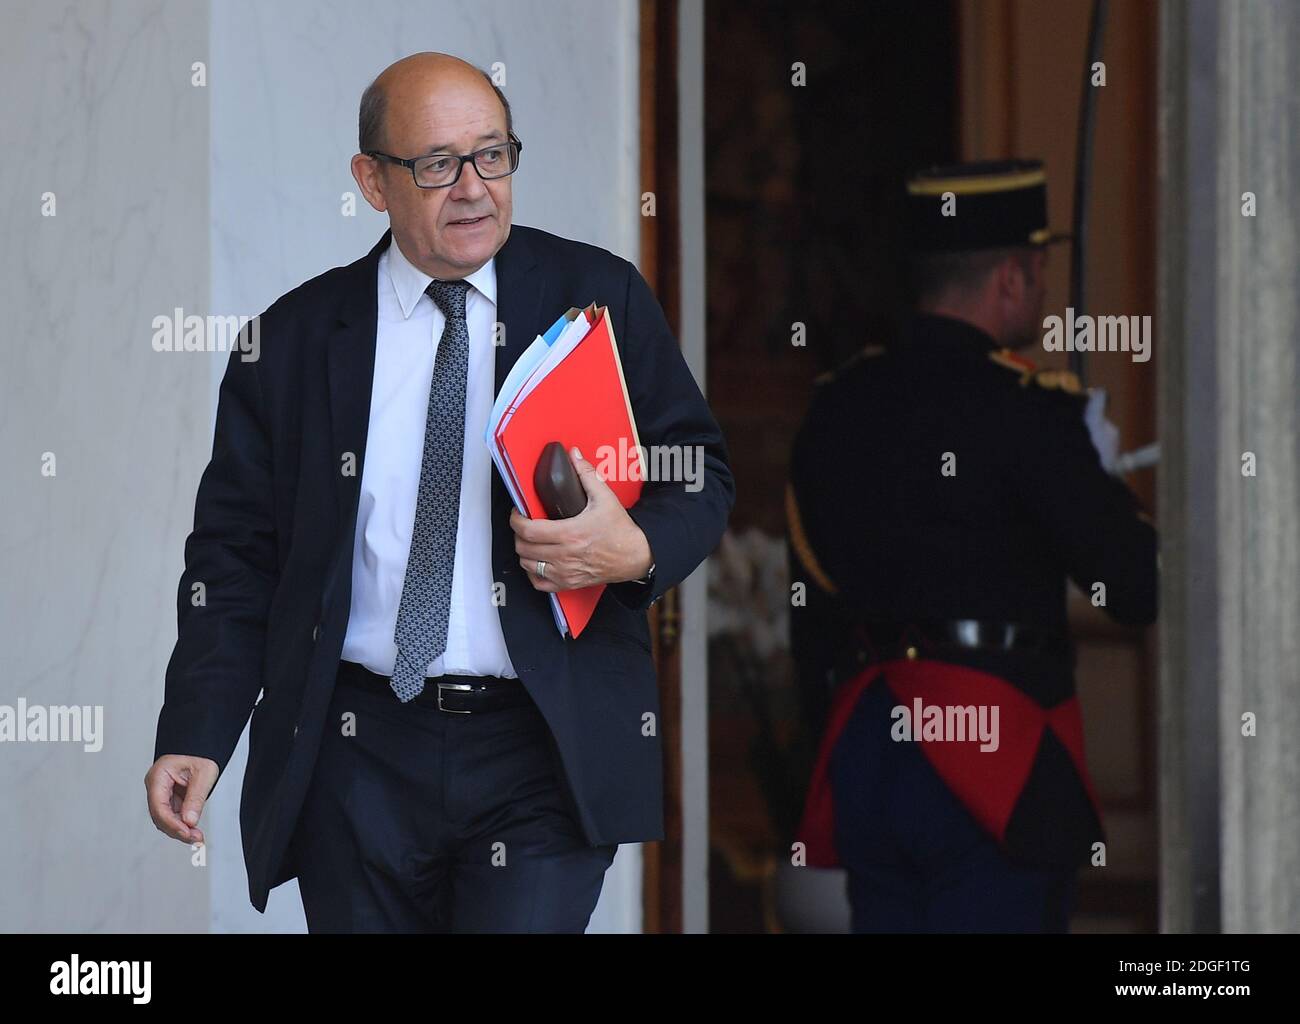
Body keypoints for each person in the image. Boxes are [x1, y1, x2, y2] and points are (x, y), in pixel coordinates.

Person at [144, 52, 734, 932]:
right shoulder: (294, 341)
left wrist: (635, 549)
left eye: (492, 155)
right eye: (437, 164)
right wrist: (198, 725)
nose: (473, 188)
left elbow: (699, 468)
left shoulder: (594, 297)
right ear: (372, 182)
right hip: (356, 754)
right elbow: (235, 555)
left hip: (540, 744)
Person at [788, 159, 1157, 932]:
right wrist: (1103, 480)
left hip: (868, 741)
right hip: (992, 756)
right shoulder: (1029, 410)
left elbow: (812, 602)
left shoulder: (837, 403)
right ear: (1013, 281)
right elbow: (1133, 585)